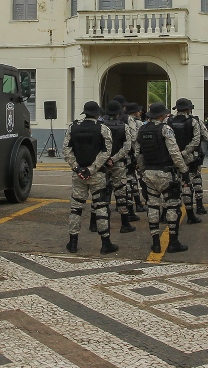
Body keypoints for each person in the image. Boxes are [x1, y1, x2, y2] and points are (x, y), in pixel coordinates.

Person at [62, 101, 118, 254]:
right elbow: (106, 152)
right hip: (97, 175)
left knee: (76, 208)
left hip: (78, 175)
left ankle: (72, 243)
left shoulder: (72, 127)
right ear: (97, 114)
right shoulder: (103, 129)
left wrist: (77, 168)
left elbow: (66, 150)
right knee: (100, 207)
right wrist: (92, 169)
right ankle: (105, 244)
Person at [135, 102, 189, 254]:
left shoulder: (142, 129)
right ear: (161, 115)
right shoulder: (165, 129)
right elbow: (174, 153)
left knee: (152, 205)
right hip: (165, 173)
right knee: (172, 206)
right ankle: (173, 241)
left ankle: (155, 243)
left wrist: (142, 170)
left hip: (148, 173)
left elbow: (138, 154)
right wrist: (183, 170)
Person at [170, 98, 208, 222]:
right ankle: (197, 208)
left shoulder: (168, 120)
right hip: (190, 157)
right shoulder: (194, 121)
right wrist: (185, 152)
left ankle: (168, 212)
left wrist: (175, 153)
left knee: (172, 184)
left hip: (173, 157)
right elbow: (203, 137)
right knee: (192, 182)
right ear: (189, 109)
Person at [101, 100, 137, 234]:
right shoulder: (123, 126)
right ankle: (125, 223)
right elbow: (127, 146)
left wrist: (105, 159)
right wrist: (114, 159)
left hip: (102, 165)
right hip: (118, 164)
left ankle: (97, 222)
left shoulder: (100, 126)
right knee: (121, 194)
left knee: (102, 193)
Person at [123, 103, 146, 212]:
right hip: (131, 154)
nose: (140, 112)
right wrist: (137, 156)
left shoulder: (120, 120)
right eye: (138, 111)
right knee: (133, 180)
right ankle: (135, 205)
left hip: (121, 155)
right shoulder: (133, 121)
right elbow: (135, 138)